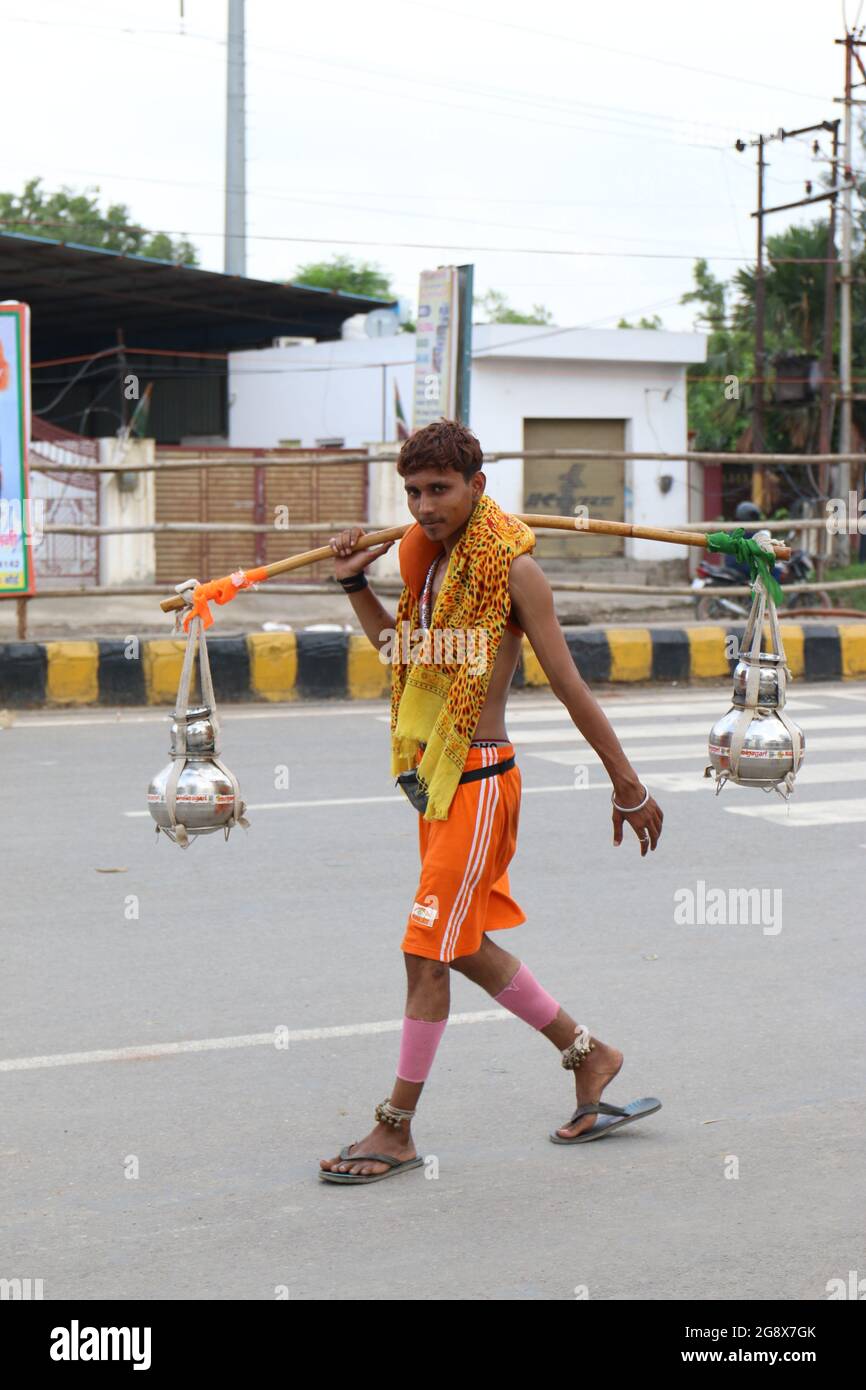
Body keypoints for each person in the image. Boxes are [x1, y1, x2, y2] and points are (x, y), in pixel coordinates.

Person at [319, 419, 664, 1185]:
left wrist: (627, 783)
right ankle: (591, 1055)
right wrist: (353, 583)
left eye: (439, 489)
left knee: (424, 951)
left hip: (481, 784)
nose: (424, 505)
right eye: (413, 492)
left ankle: (395, 1129)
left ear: (477, 486)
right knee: (460, 945)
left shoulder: (511, 571)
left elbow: (570, 685)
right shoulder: (432, 569)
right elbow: (399, 656)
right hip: (439, 783)